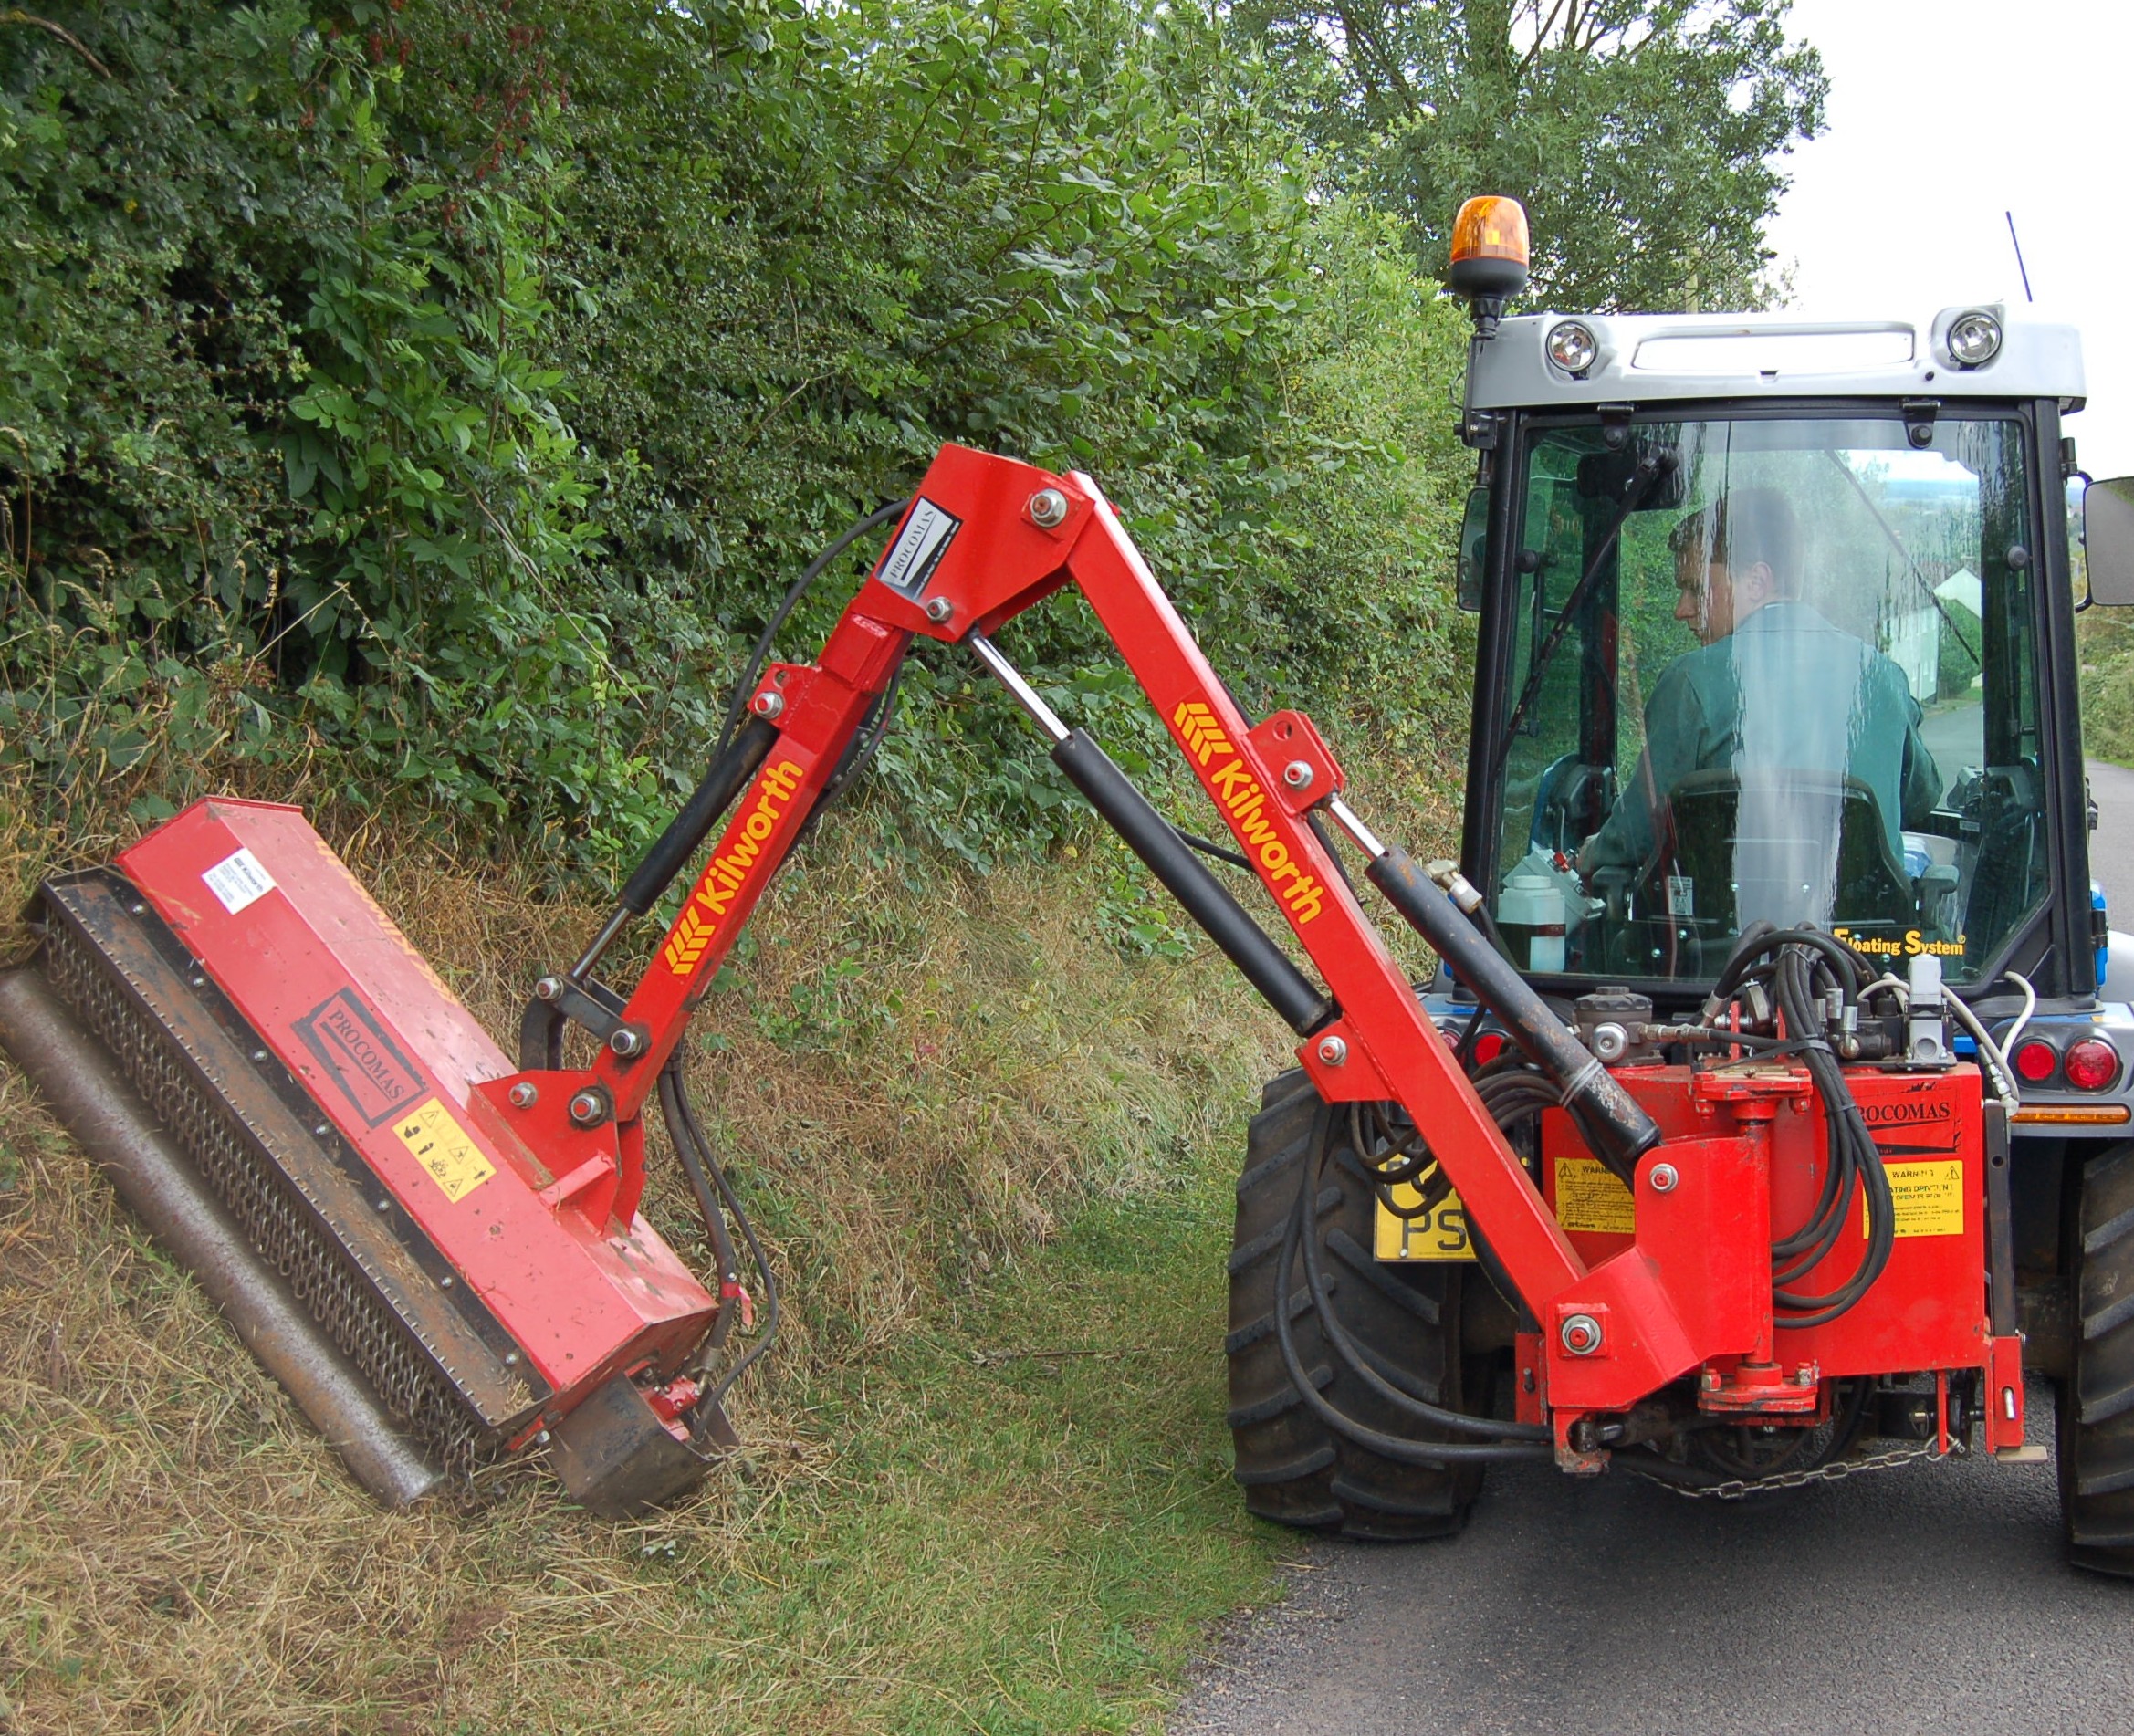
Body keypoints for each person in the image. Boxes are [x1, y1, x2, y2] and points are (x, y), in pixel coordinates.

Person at [1578, 487, 1942, 889]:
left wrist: (1593, 852)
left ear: (1756, 581)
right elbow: (1920, 797)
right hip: (1862, 947)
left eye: (1695, 589)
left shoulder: (1692, 681)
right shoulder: (1884, 676)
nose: (1680, 609)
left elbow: (1636, 835)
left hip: (1727, 946)